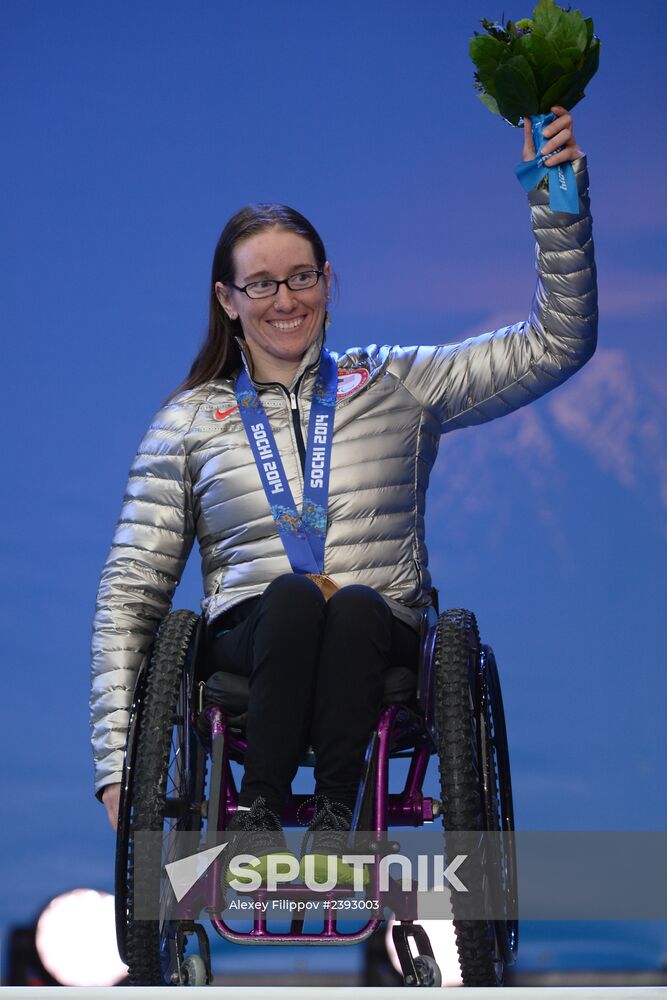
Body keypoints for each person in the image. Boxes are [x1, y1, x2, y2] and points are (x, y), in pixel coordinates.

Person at [91, 107, 596, 878]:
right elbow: (132, 592)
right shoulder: (187, 422)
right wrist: (118, 764)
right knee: (294, 597)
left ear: (326, 283)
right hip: (251, 640)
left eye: (301, 277)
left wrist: (556, 197)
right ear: (227, 299)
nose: (284, 299)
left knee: (355, 603)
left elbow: (556, 341)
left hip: (378, 631)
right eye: (261, 283)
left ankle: (340, 817)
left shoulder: (397, 383)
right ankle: (256, 818)